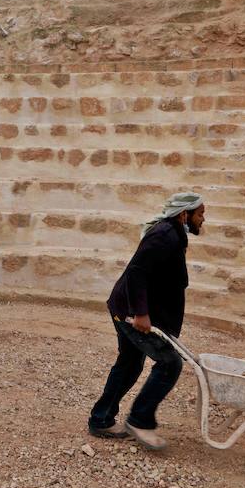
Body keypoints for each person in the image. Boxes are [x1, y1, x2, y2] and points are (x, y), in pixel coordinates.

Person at [88, 192, 207, 450]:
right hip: (130, 312)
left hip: (128, 308)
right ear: (184, 214)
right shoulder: (165, 235)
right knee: (169, 363)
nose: (203, 219)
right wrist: (141, 313)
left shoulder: (174, 233)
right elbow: (136, 272)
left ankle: (101, 419)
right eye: (200, 214)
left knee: (129, 365)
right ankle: (140, 419)